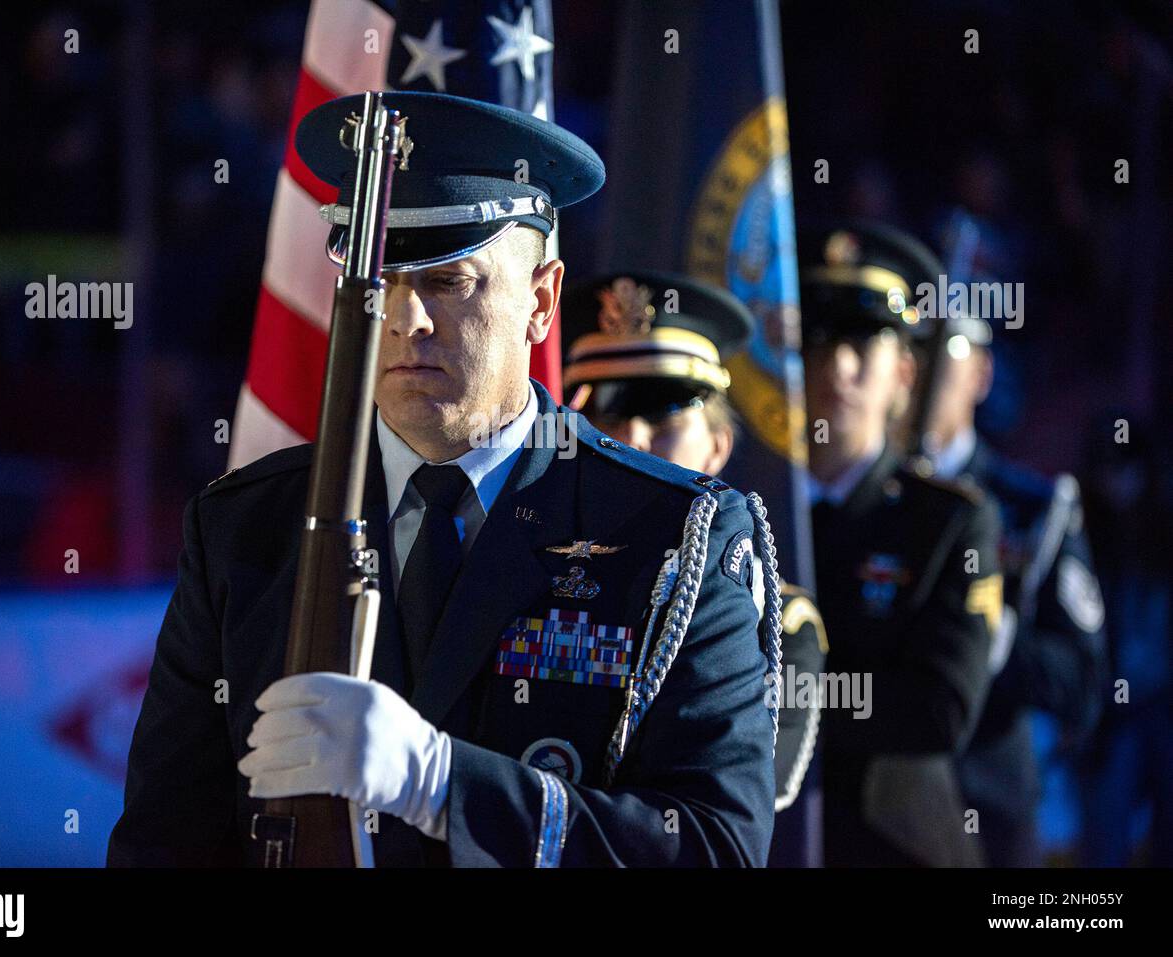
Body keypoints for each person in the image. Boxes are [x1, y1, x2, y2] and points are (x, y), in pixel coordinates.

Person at [107, 92, 779, 868]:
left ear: (541, 299)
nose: (407, 319)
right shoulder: (245, 530)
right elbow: (165, 842)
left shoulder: (669, 534)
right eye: (382, 282)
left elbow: (716, 846)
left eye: (451, 281)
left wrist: (445, 784)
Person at [560, 270, 826, 824]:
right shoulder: (522, 573)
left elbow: (743, 789)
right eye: (606, 413)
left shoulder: (777, 620)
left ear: (718, 447)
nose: (631, 438)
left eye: (662, 413)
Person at [800, 222, 1002, 867]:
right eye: (820, 338)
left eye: (864, 341)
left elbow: (940, 707)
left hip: (890, 847)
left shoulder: (947, 524)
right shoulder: (737, 508)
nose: (838, 366)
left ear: (905, 372)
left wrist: (784, 699)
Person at [922, 310, 1107, 866]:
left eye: (945, 358)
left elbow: (1082, 678)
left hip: (989, 800)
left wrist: (993, 641)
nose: (926, 376)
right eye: (915, 355)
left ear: (980, 374)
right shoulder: (869, 494)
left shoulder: (1031, 507)